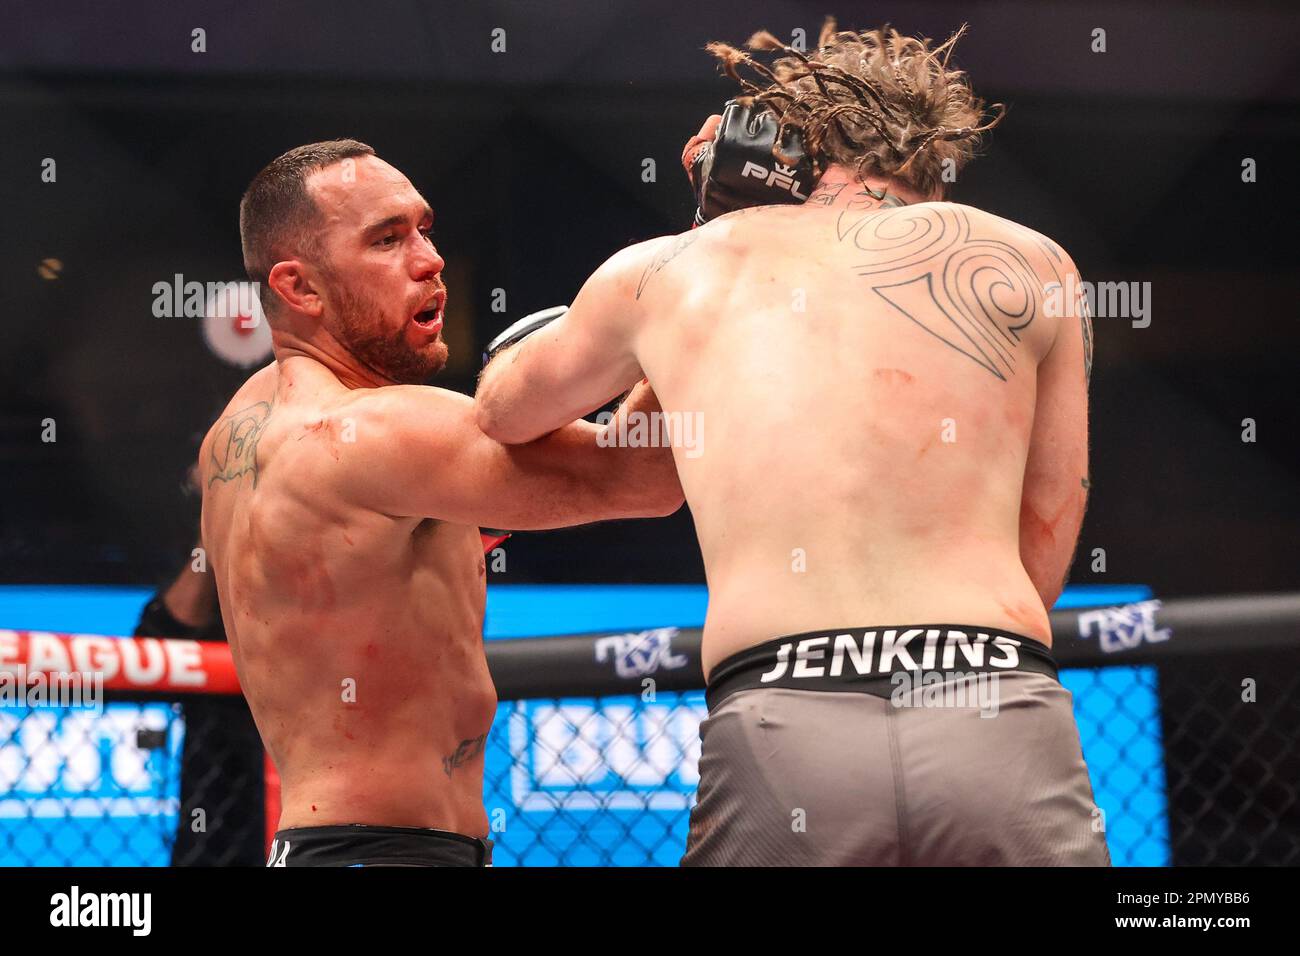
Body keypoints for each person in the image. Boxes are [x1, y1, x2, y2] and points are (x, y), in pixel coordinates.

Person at [475, 21, 1108, 865]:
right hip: (991, 697)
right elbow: (1046, 546)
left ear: (783, 140)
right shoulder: (1035, 263)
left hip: (785, 712)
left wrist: (708, 233)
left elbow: (503, 411)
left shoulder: (679, 268)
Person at [201, 139, 682, 867]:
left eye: (424, 229)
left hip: (331, 845)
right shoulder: (375, 432)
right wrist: (686, 280)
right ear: (300, 289)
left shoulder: (238, 428)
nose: (429, 260)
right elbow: (643, 479)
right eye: (387, 240)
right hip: (393, 851)